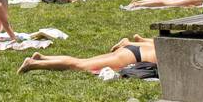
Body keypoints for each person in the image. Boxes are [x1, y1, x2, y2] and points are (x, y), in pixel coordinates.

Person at [18, 36, 157, 75]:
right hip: (132, 57)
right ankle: (32, 64)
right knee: (80, 65)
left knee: (82, 61)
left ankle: (42, 58)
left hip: (132, 51)